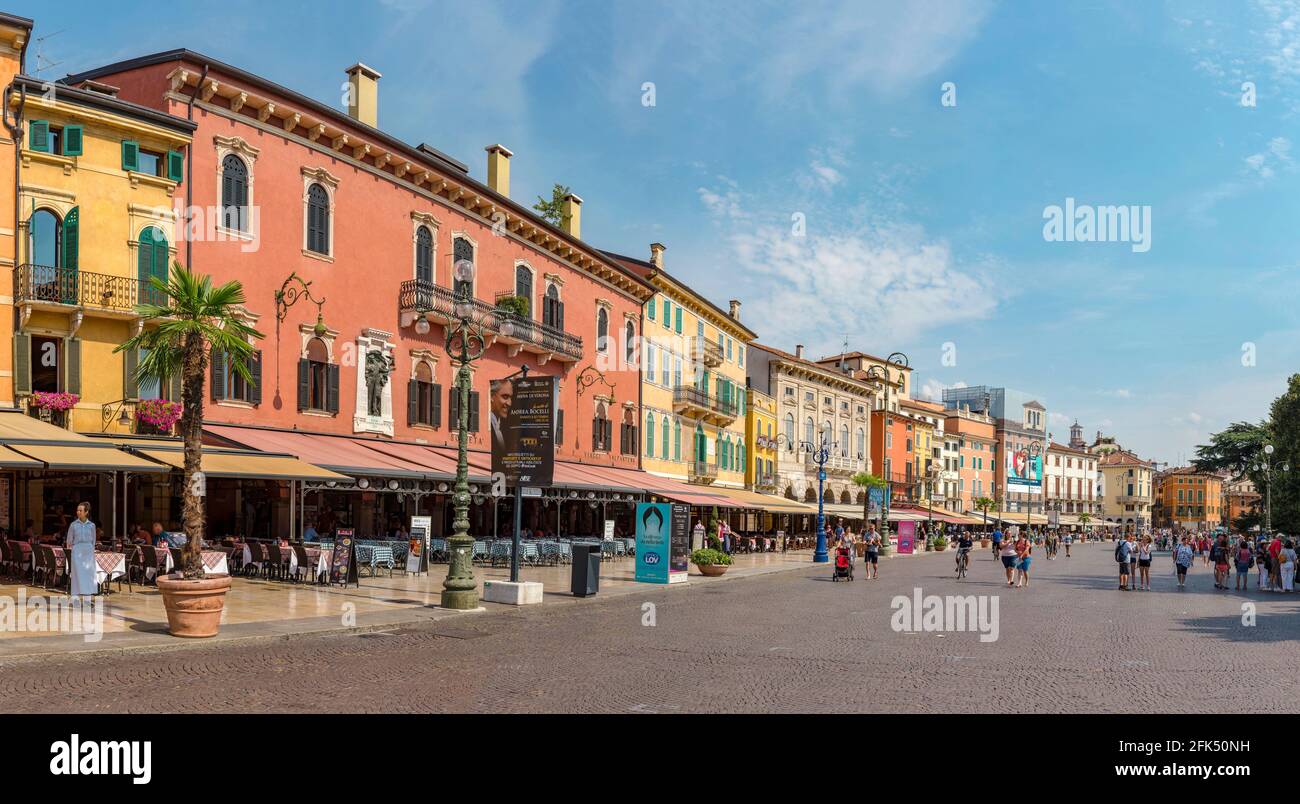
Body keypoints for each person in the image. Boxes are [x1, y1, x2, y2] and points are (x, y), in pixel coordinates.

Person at [65, 502, 97, 600]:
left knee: (88, 575)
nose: (78, 512)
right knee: (76, 575)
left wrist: (90, 550)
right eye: (77, 510)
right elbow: (69, 540)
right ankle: (75, 599)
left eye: (80, 510)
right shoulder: (73, 525)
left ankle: (87, 600)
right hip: (77, 552)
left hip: (88, 553)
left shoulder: (92, 525)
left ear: (86, 512)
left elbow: (93, 540)